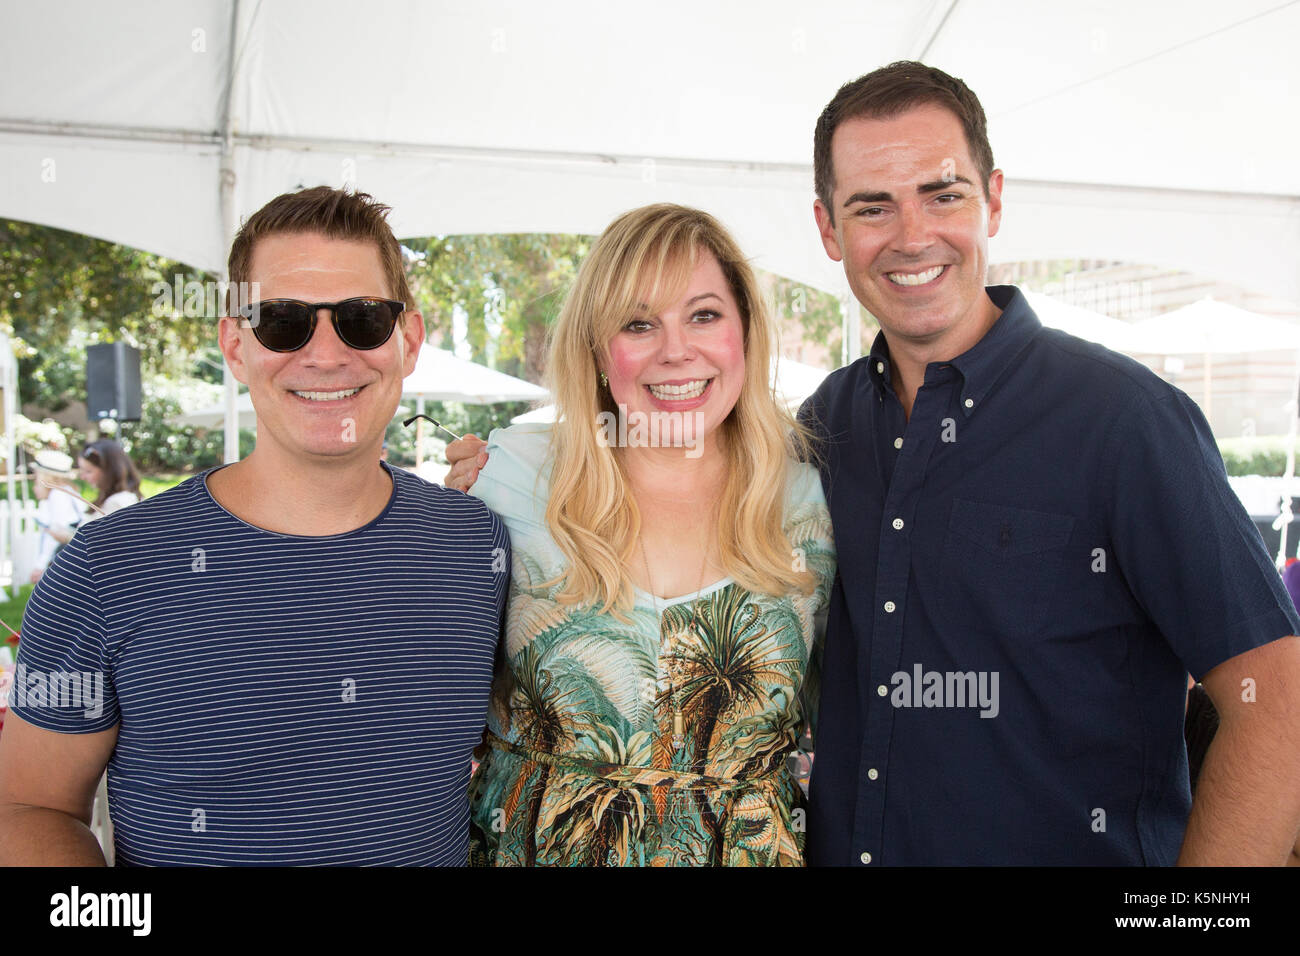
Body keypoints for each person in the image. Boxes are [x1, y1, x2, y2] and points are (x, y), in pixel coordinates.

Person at [795, 61, 1300, 865]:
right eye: (872, 207)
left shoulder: (1127, 422)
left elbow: (1277, 699)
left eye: (943, 193)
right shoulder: (822, 427)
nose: (913, 234)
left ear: (994, 199)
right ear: (828, 229)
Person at [0, 186, 509, 866]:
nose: (326, 354)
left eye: (362, 318)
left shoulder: (479, 544)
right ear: (235, 347)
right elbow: (29, 807)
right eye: (281, 321)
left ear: (407, 340)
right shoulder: (107, 565)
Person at [451, 204, 835, 866]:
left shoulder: (814, 502)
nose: (676, 349)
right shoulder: (507, 479)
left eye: (704, 315)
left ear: (745, 329)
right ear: (599, 350)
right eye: (638, 323)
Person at [27, 450, 87, 585]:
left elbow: (55, 533)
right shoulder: (65, 492)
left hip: (64, 554)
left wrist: (40, 565)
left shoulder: (57, 495)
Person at [76, 439, 142, 516]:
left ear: (109, 471)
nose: (82, 477)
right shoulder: (114, 498)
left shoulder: (117, 503)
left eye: (88, 471)